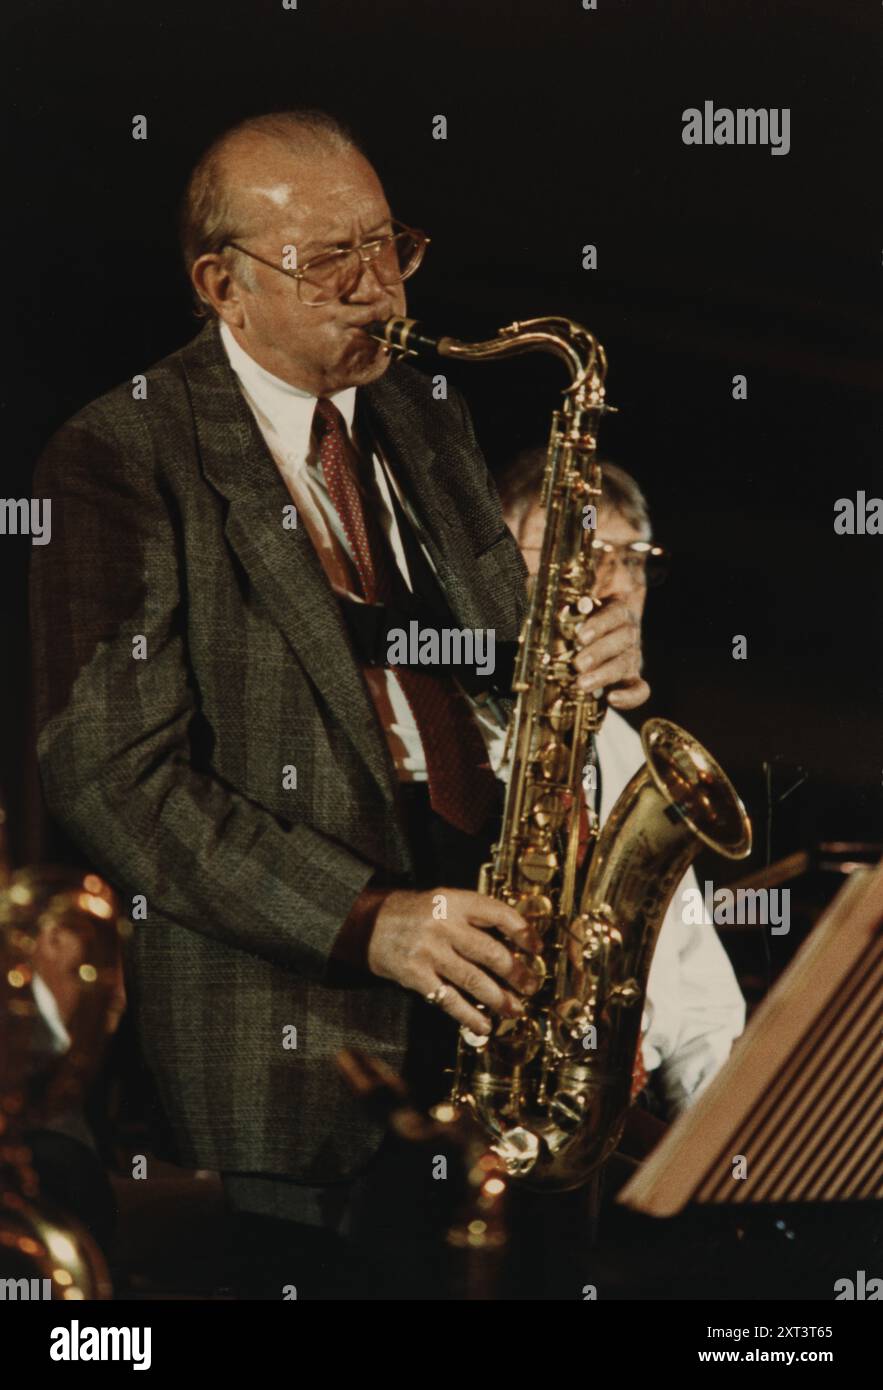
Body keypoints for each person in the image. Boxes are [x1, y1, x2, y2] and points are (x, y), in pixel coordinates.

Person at [29, 110, 649, 1298]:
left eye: (390, 246)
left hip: (478, 1035)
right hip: (281, 1077)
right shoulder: (118, 454)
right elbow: (112, 774)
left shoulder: (427, 414)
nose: (378, 291)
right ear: (222, 284)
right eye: (330, 263)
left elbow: (478, 667)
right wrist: (374, 919)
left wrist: (560, 674)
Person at [497, 449, 746, 1121]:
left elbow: (697, 1004)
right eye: (580, 550)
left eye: (632, 556)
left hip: (624, 1126)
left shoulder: (632, 750)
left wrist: (714, 1150)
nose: (612, 581)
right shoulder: (459, 730)